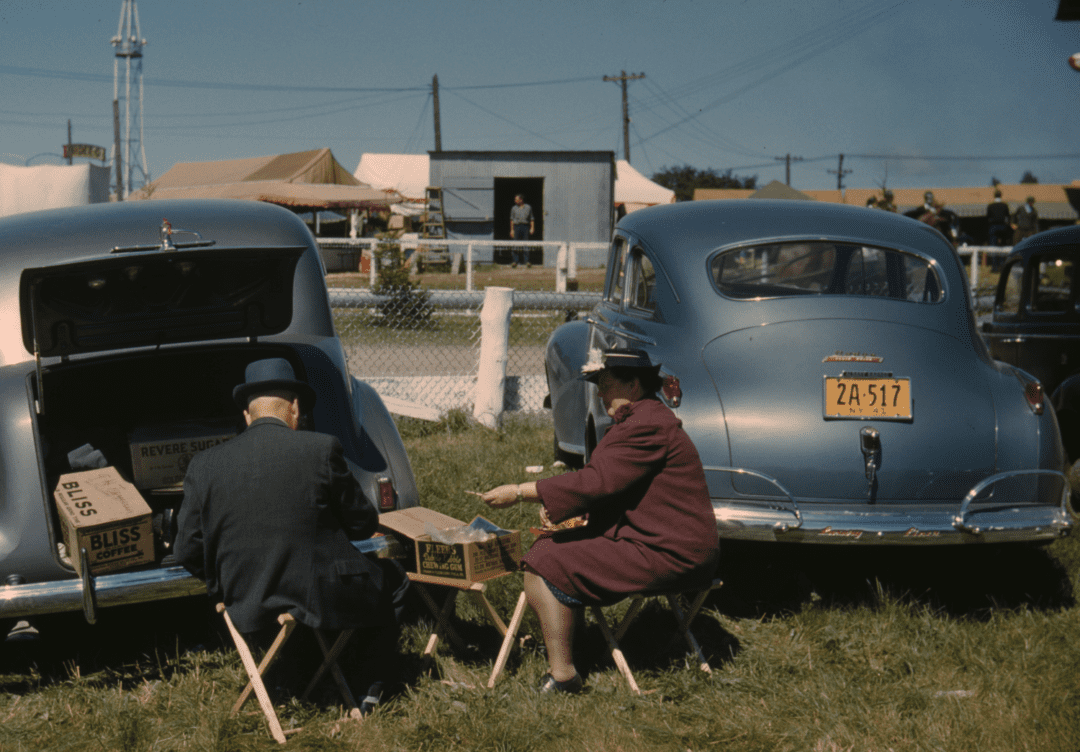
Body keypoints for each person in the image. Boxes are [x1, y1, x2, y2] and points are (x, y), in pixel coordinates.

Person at [478, 348, 719, 694]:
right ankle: (579, 646)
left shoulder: (645, 425)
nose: (600, 393)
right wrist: (572, 512)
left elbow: (596, 481)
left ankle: (563, 675)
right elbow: (618, 488)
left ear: (633, 385)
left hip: (671, 553)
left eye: (606, 385)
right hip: (664, 543)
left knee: (542, 561)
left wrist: (520, 491)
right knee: (551, 547)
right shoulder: (645, 419)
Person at [175, 357, 408, 713]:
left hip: (246, 602)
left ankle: (296, 670)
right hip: (320, 598)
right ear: (296, 408)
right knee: (395, 578)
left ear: (247, 415)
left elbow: (187, 549)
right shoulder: (320, 449)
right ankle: (367, 682)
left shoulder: (204, 465)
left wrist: (224, 583)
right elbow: (362, 524)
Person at [509, 193, 535, 267]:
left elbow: (532, 218)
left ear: (521, 200)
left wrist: (532, 228)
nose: (515, 201)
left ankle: (526, 261)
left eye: (516, 199)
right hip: (516, 226)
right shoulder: (514, 208)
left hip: (525, 227)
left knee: (526, 244)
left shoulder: (528, 207)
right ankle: (515, 261)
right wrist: (512, 230)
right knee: (515, 244)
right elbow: (511, 220)